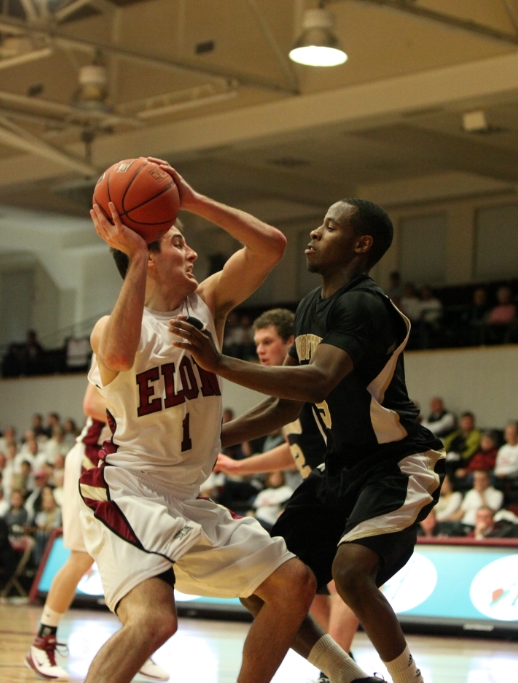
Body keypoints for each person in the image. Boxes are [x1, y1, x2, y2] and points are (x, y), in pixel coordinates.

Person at [173, 197, 443, 683]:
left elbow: (318, 381)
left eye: (330, 227)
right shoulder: (308, 309)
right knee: (259, 581)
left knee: (351, 571)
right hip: (337, 469)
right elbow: (287, 406)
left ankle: (408, 678)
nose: (314, 234)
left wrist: (220, 364)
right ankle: (347, 677)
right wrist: (214, 441)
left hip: (393, 463)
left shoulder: (364, 304)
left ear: (361, 245)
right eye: (318, 224)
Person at [81, 158, 322, 683]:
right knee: (153, 623)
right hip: (129, 492)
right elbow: (119, 357)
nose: (192, 252)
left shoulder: (206, 303)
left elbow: (271, 247)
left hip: (187, 497)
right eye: (176, 243)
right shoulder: (114, 326)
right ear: (145, 253)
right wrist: (135, 256)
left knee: (294, 583)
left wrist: (190, 199)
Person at [213, 308, 362, 661]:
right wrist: (240, 467)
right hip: (318, 491)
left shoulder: (311, 383)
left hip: (347, 485)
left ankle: (336, 667)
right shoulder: (286, 395)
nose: (260, 351)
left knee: (344, 584)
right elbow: (293, 449)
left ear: (291, 343)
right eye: (256, 343)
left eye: (268, 342)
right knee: (309, 584)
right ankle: (342, 662)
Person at [26, 382, 169, 681]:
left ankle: (138, 643)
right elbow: (91, 404)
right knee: (81, 557)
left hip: (124, 465)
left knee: (136, 556)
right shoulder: (113, 341)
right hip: (91, 459)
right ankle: (42, 642)